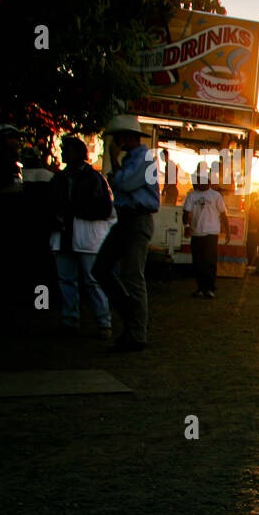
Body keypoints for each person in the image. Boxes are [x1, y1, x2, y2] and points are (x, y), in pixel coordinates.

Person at [93, 115, 159, 351]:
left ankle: (136, 333)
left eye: (119, 137)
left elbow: (124, 184)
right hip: (127, 220)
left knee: (132, 276)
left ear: (127, 137)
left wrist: (112, 159)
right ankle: (130, 315)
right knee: (102, 269)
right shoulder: (135, 159)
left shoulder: (143, 158)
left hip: (137, 219)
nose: (116, 142)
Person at [47, 137, 115, 338]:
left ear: (77, 153)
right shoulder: (61, 178)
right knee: (68, 279)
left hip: (85, 236)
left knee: (90, 280)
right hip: (67, 235)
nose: (63, 154)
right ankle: (72, 321)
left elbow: (104, 209)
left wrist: (73, 210)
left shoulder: (93, 178)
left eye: (66, 150)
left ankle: (103, 322)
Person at [182, 162, 229, 299]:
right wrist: (186, 227)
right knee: (198, 262)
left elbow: (223, 214)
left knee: (210, 262)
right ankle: (200, 288)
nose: (201, 183)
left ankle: (209, 288)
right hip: (197, 233)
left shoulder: (216, 196)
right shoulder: (192, 196)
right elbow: (186, 213)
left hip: (211, 233)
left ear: (208, 181)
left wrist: (227, 231)